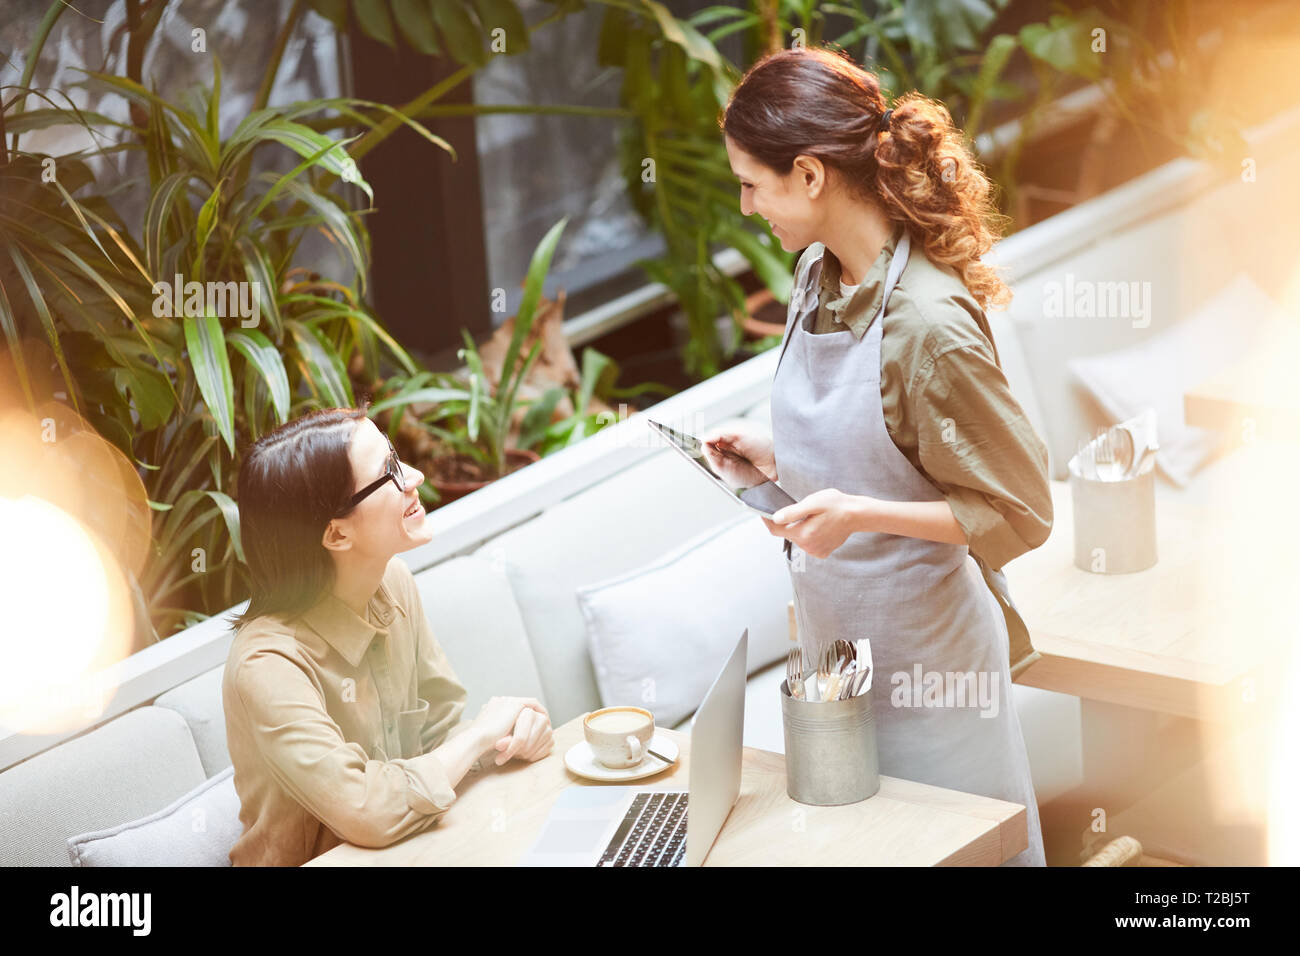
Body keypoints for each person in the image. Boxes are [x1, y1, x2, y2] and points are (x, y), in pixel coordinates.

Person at [702, 47, 1052, 866]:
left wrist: (856, 514)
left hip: (936, 676)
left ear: (812, 176)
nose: (746, 205)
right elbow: (884, 443)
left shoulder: (928, 325)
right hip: (840, 668)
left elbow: (1020, 509)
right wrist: (779, 452)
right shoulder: (815, 275)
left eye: (752, 183)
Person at [222, 407, 553, 866]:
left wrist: (508, 743)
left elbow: (441, 735)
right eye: (389, 473)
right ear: (336, 534)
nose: (415, 476)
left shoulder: (392, 583)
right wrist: (479, 737)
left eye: (397, 458)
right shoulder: (266, 666)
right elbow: (366, 811)